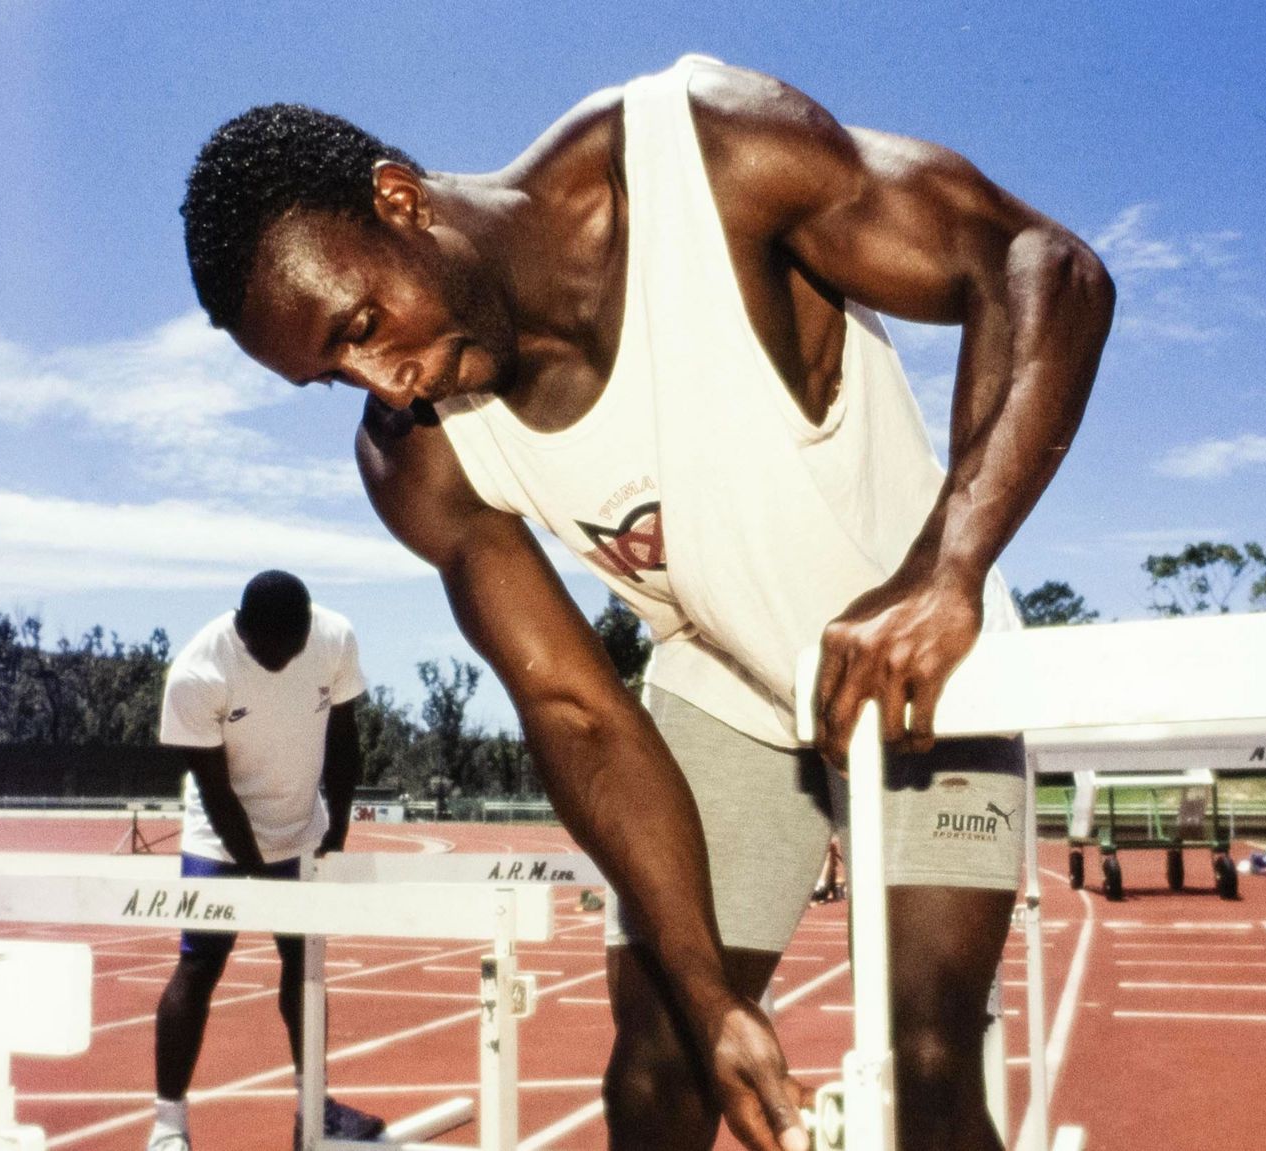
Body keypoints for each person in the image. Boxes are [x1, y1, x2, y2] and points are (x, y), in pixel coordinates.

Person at [180, 56, 1113, 1151]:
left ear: (399, 200)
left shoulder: (699, 158)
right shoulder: (417, 457)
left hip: (924, 663)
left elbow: (1038, 262)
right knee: (663, 1059)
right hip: (724, 675)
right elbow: (576, 710)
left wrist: (947, 567)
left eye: (360, 324)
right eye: (334, 375)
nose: (383, 379)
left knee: (925, 1066)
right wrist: (713, 995)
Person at [148, 570, 384, 1149]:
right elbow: (213, 788)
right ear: (243, 629)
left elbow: (346, 740)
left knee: (305, 967)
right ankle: (167, 1124)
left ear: (309, 629)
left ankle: (314, 1108)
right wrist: (254, 869)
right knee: (200, 963)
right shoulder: (198, 672)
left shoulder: (334, 638)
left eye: (293, 645)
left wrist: (340, 825)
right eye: (268, 648)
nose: (281, 658)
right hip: (219, 837)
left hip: (302, 830)